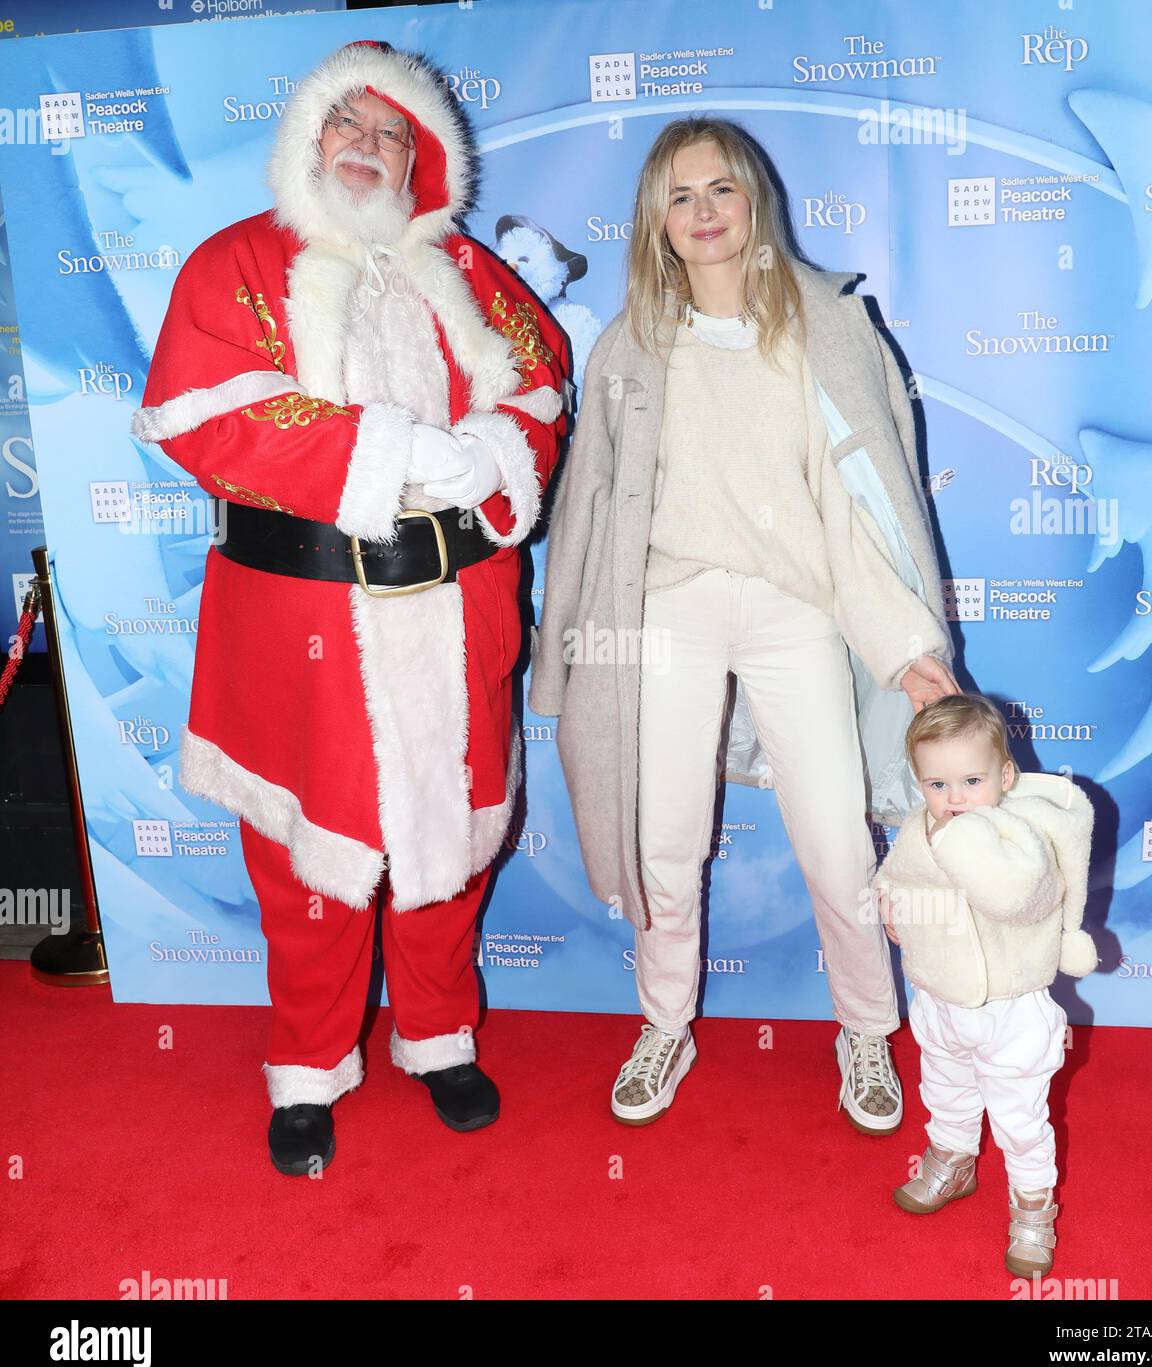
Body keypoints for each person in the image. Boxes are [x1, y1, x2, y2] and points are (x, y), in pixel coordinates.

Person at [132, 40, 567, 1175]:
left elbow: (542, 383)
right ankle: (308, 1065)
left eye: (391, 134)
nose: (366, 147)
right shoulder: (237, 262)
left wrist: (491, 449)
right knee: (309, 866)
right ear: (308, 136)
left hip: (458, 606)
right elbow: (201, 414)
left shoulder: (468, 272)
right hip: (302, 620)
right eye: (347, 124)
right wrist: (389, 451)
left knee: (447, 842)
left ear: (422, 159)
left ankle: (439, 1036)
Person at [529, 116, 959, 1130]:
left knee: (837, 844)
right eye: (679, 196)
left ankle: (865, 1030)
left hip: (792, 608)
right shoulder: (631, 346)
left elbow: (858, 511)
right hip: (666, 611)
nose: (704, 211)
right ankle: (664, 1023)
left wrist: (909, 652)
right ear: (656, 220)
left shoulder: (824, 327)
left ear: (754, 198)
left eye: (720, 188)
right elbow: (592, 512)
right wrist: (570, 651)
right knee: (665, 841)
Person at [875, 694, 1098, 1275]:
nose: (955, 798)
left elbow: (1021, 899)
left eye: (971, 781)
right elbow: (895, 875)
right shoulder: (920, 829)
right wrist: (891, 902)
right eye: (937, 784)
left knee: (1020, 1118)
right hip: (939, 998)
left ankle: (1033, 1208)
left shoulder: (1023, 839)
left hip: (1011, 1010)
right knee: (945, 1090)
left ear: (1005, 777)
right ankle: (954, 1161)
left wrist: (968, 847)